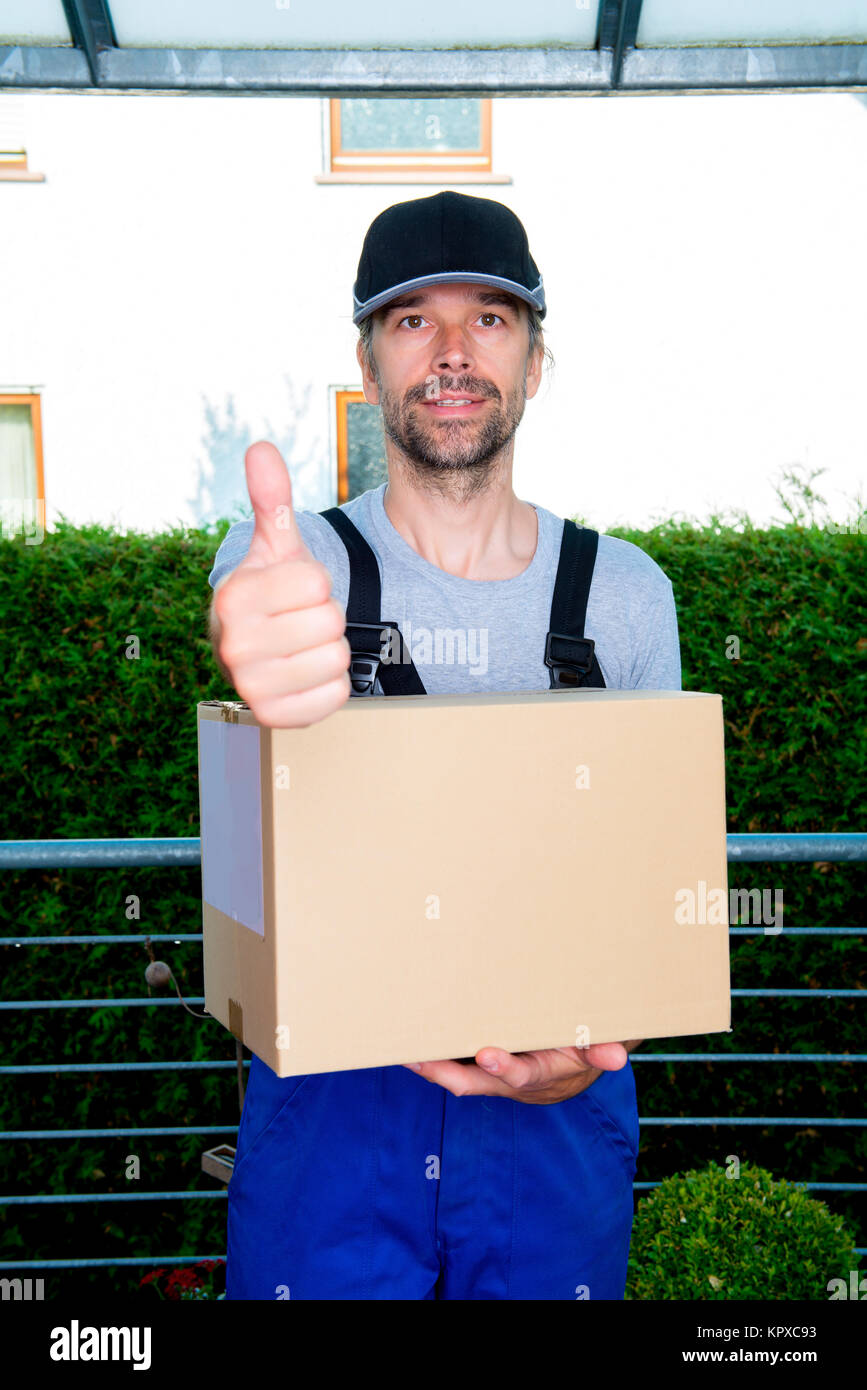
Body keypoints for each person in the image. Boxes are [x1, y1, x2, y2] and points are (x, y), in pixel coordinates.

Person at [207, 191, 681, 1300]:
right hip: (330, 1108)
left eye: (492, 320)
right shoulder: (292, 561)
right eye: (414, 320)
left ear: (536, 361)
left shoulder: (624, 597)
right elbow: (253, 607)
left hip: (555, 1123)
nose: (455, 352)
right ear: (368, 365)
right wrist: (261, 635)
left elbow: (656, 893)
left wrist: (602, 1043)